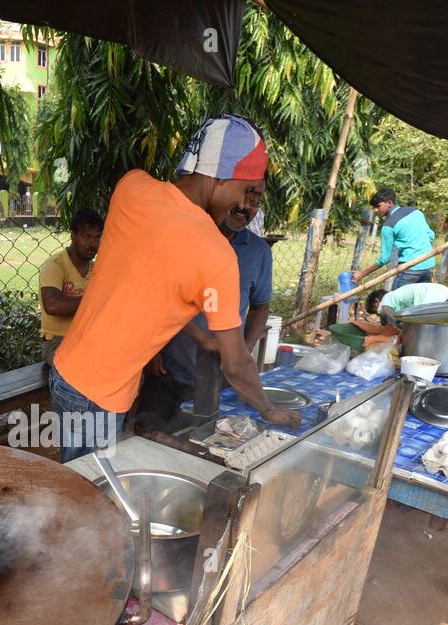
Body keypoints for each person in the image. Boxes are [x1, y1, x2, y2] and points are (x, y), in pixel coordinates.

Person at [50, 114, 298, 463]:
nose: (243, 204)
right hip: (99, 395)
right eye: (247, 190)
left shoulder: (132, 187)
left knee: (77, 477)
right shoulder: (215, 253)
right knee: (86, 498)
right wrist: (268, 410)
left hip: (64, 372)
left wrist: (201, 339)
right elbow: (236, 364)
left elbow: (155, 288)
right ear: (222, 176)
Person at [135, 184, 272, 432]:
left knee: (211, 444)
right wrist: (150, 350)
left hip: (221, 377)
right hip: (168, 370)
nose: (245, 206)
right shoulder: (181, 238)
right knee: (148, 437)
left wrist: (243, 349)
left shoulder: (258, 252)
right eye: (244, 196)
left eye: (255, 201)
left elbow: (261, 306)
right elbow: (154, 294)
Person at [38, 208, 103, 365]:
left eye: (97, 238)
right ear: (73, 236)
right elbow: (52, 306)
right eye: (87, 237)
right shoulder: (55, 265)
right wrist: (94, 299)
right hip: (58, 341)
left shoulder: (97, 269)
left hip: (88, 338)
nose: (93, 244)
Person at [352, 188, 437, 289]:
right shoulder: (416, 212)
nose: (375, 210)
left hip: (410, 268)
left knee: (395, 302)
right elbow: (431, 236)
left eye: (378, 206)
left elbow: (385, 258)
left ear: (389, 203)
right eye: (374, 207)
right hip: (428, 264)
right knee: (418, 301)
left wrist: (361, 274)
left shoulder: (388, 226)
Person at [364, 282, 448, 322]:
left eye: (375, 311)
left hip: (439, 301)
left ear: (377, 302)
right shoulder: (398, 298)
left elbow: (386, 314)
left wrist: (390, 330)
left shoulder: (387, 298)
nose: (378, 314)